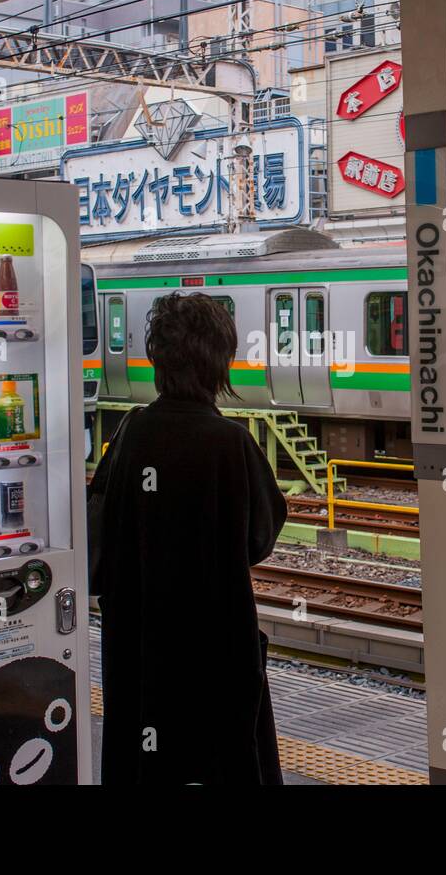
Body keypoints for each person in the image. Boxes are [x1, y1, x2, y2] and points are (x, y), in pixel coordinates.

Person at [92, 293, 288, 784]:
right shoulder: (231, 444)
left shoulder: (130, 436)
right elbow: (260, 539)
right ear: (220, 364)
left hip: (140, 651)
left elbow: (99, 539)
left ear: (157, 360)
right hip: (216, 650)